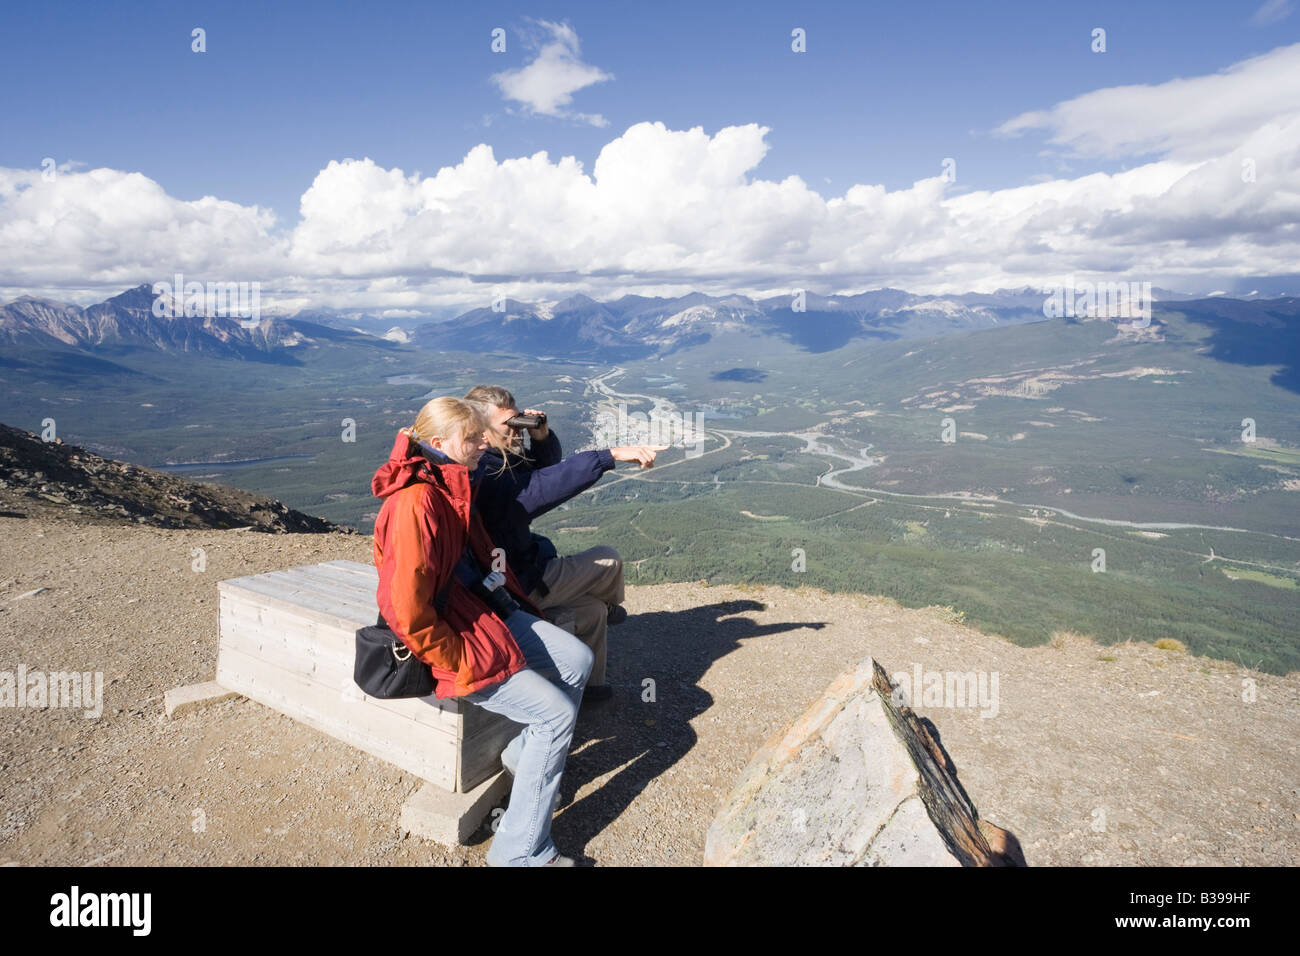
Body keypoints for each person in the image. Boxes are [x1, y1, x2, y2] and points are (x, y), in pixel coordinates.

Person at [370, 396, 592, 867]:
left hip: (478, 613)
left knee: (578, 661)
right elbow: (406, 610)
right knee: (553, 716)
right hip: (456, 638)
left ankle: (523, 757)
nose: (481, 445)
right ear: (437, 443)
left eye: (480, 435)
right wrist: (457, 661)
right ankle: (518, 852)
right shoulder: (417, 502)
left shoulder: (447, 482)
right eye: (472, 438)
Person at [464, 384, 662, 700]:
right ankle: (610, 607)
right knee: (609, 561)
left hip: (514, 572)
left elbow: (543, 468)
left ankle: (591, 690)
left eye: (517, 420)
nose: (516, 430)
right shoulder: (486, 473)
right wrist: (608, 456)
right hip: (514, 585)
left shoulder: (496, 459)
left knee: (593, 612)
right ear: (480, 431)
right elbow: (543, 486)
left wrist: (540, 436)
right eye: (509, 425)